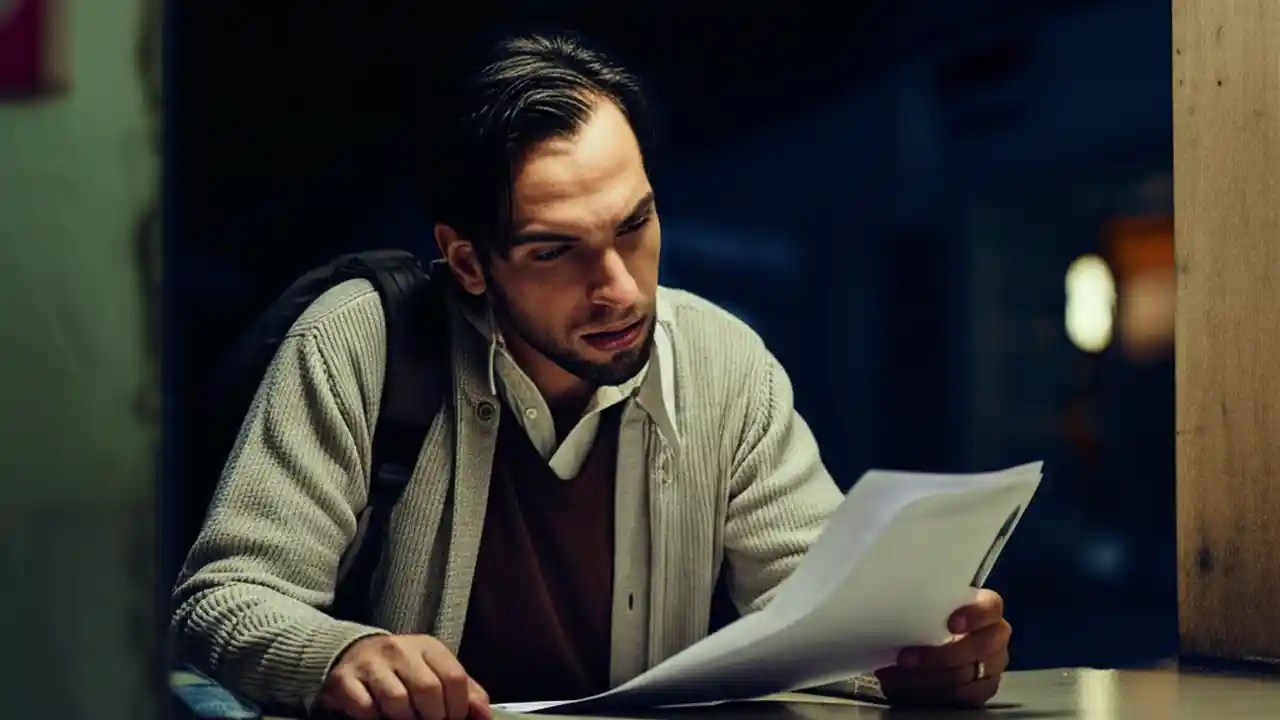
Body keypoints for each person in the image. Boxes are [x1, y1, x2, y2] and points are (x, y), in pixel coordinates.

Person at [170, 31, 1012, 720]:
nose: (617, 286)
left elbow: (818, 614)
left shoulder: (723, 363)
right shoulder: (363, 344)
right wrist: (341, 654)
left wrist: (914, 657)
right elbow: (224, 596)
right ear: (467, 261)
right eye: (554, 251)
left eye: (635, 225)